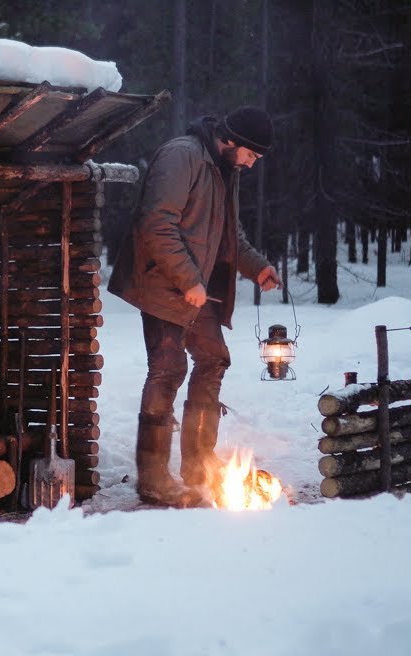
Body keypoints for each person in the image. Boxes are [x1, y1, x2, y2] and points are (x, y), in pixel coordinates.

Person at [107, 106, 282, 506]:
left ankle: (199, 460)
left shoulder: (225, 169)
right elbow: (156, 224)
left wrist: (256, 267)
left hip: (192, 286)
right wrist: (188, 279)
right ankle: (153, 477)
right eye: (251, 155)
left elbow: (229, 233)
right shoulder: (181, 156)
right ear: (232, 140)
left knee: (213, 358)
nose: (251, 164)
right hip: (160, 281)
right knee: (168, 369)